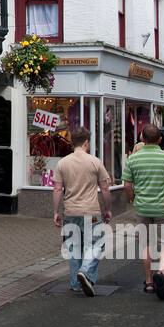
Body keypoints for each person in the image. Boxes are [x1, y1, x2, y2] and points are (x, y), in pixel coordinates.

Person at [122, 124, 164, 301]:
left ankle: (149, 282)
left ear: (142, 138)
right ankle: (161, 271)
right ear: (160, 139)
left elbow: (127, 185)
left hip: (143, 207)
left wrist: (133, 199)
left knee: (146, 244)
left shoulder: (133, 159)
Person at [52, 127, 112, 297]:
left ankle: (75, 284)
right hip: (91, 211)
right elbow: (105, 188)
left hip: (70, 211)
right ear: (86, 142)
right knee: (97, 244)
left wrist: (55, 212)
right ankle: (85, 271)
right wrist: (108, 209)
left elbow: (57, 190)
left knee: (73, 248)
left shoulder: (63, 163)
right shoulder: (95, 161)